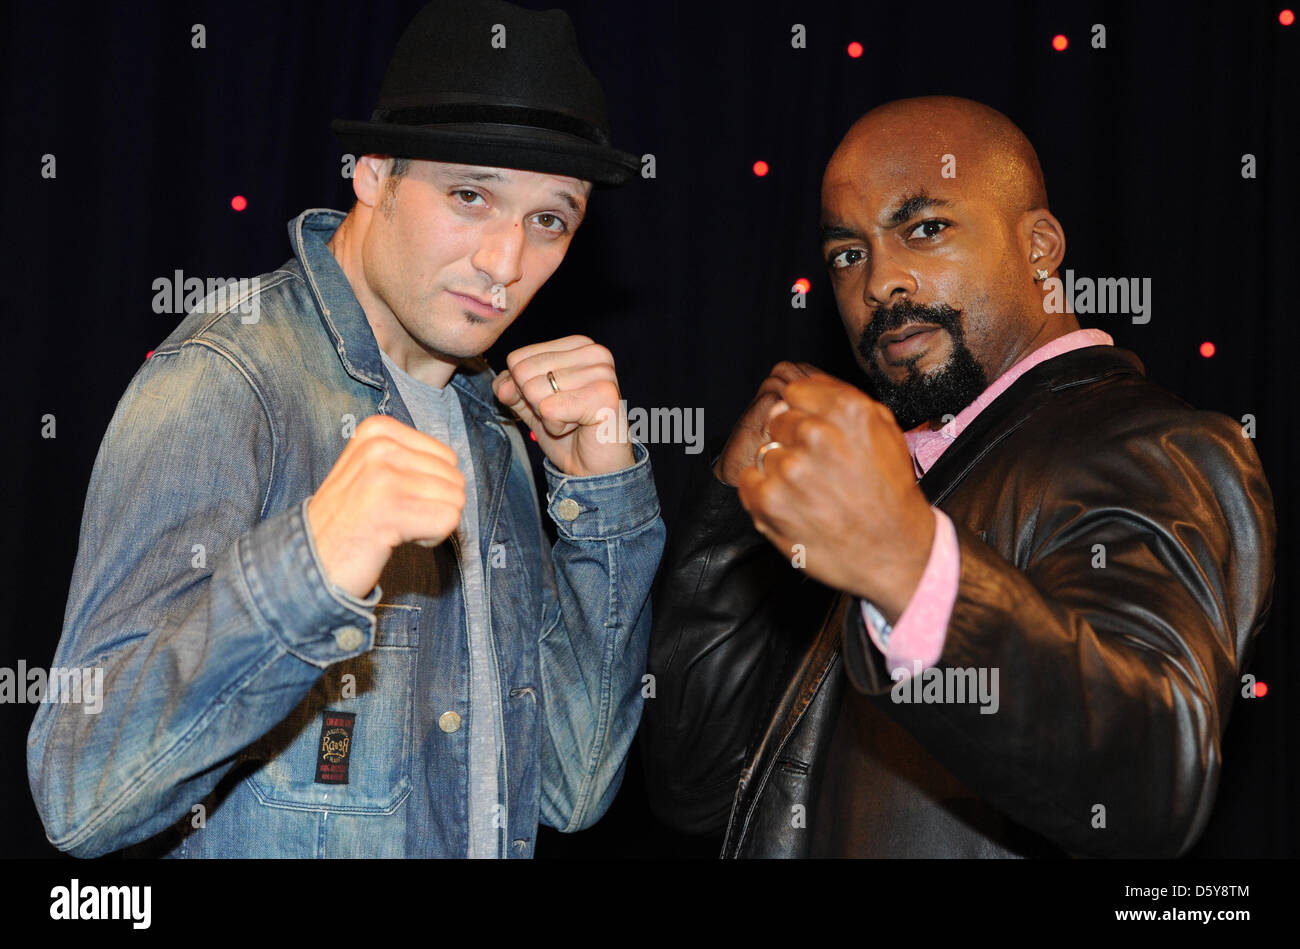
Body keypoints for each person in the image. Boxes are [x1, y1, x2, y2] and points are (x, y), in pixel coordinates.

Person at [28, 0, 665, 859]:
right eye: (470, 195)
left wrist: (604, 502)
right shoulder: (231, 378)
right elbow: (77, 792)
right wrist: (309, 566)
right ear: (372, 174)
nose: (506, 262)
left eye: (549, 219)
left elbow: (573, 786)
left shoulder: (497, 433)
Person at [641, 96, 1276, 858]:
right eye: (849, 253)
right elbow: (697, 790)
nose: (881, 283)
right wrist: (735, 508)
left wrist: (904, 560)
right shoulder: (893, 476)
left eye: (925, 229)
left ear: (1040, 245)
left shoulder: (1155, 446)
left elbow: (1151, 777)